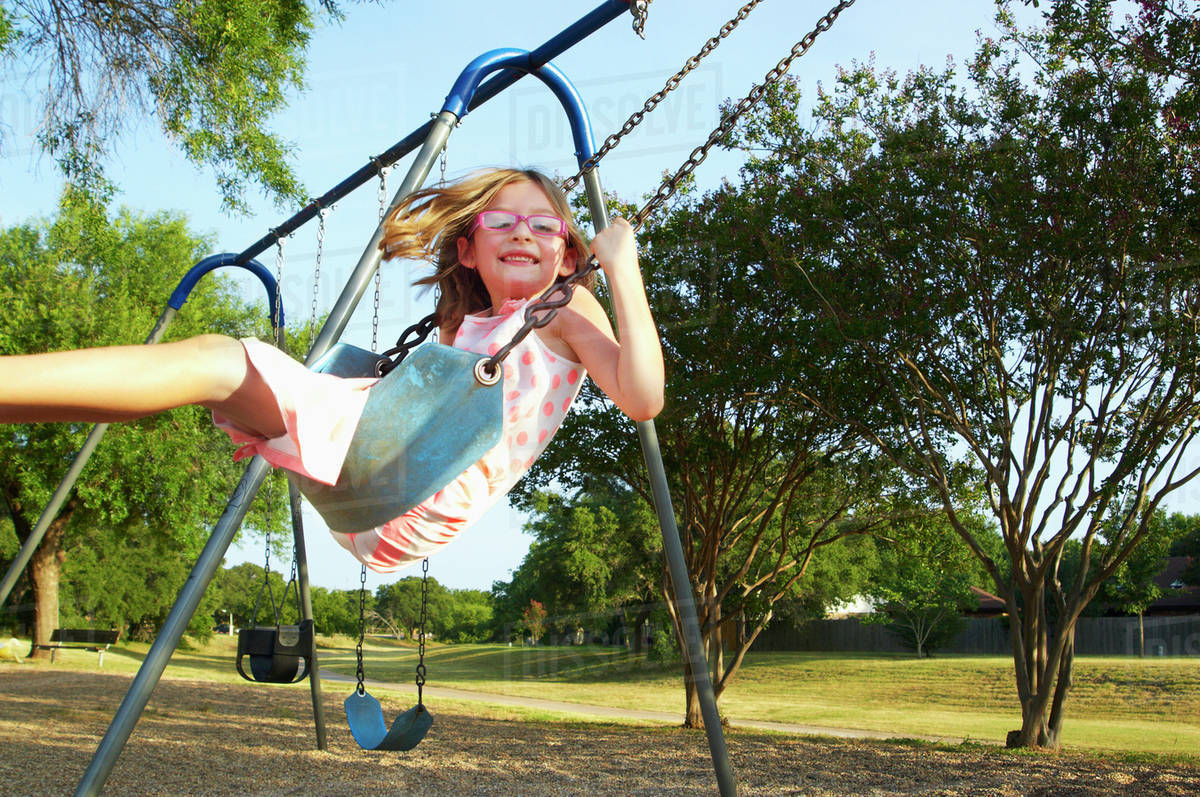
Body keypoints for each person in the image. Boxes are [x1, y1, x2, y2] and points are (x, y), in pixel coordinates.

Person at [0, 168, 664, 572]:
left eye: (545, 225)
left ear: (569, 249)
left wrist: (621, 271)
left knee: (215, 361)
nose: (525, 232)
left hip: (403, 486)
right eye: (502, 220)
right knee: (213, 370)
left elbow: (643, 396)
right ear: (467, 247)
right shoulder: (466, 329)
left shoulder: (566, 305)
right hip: (376, 492)